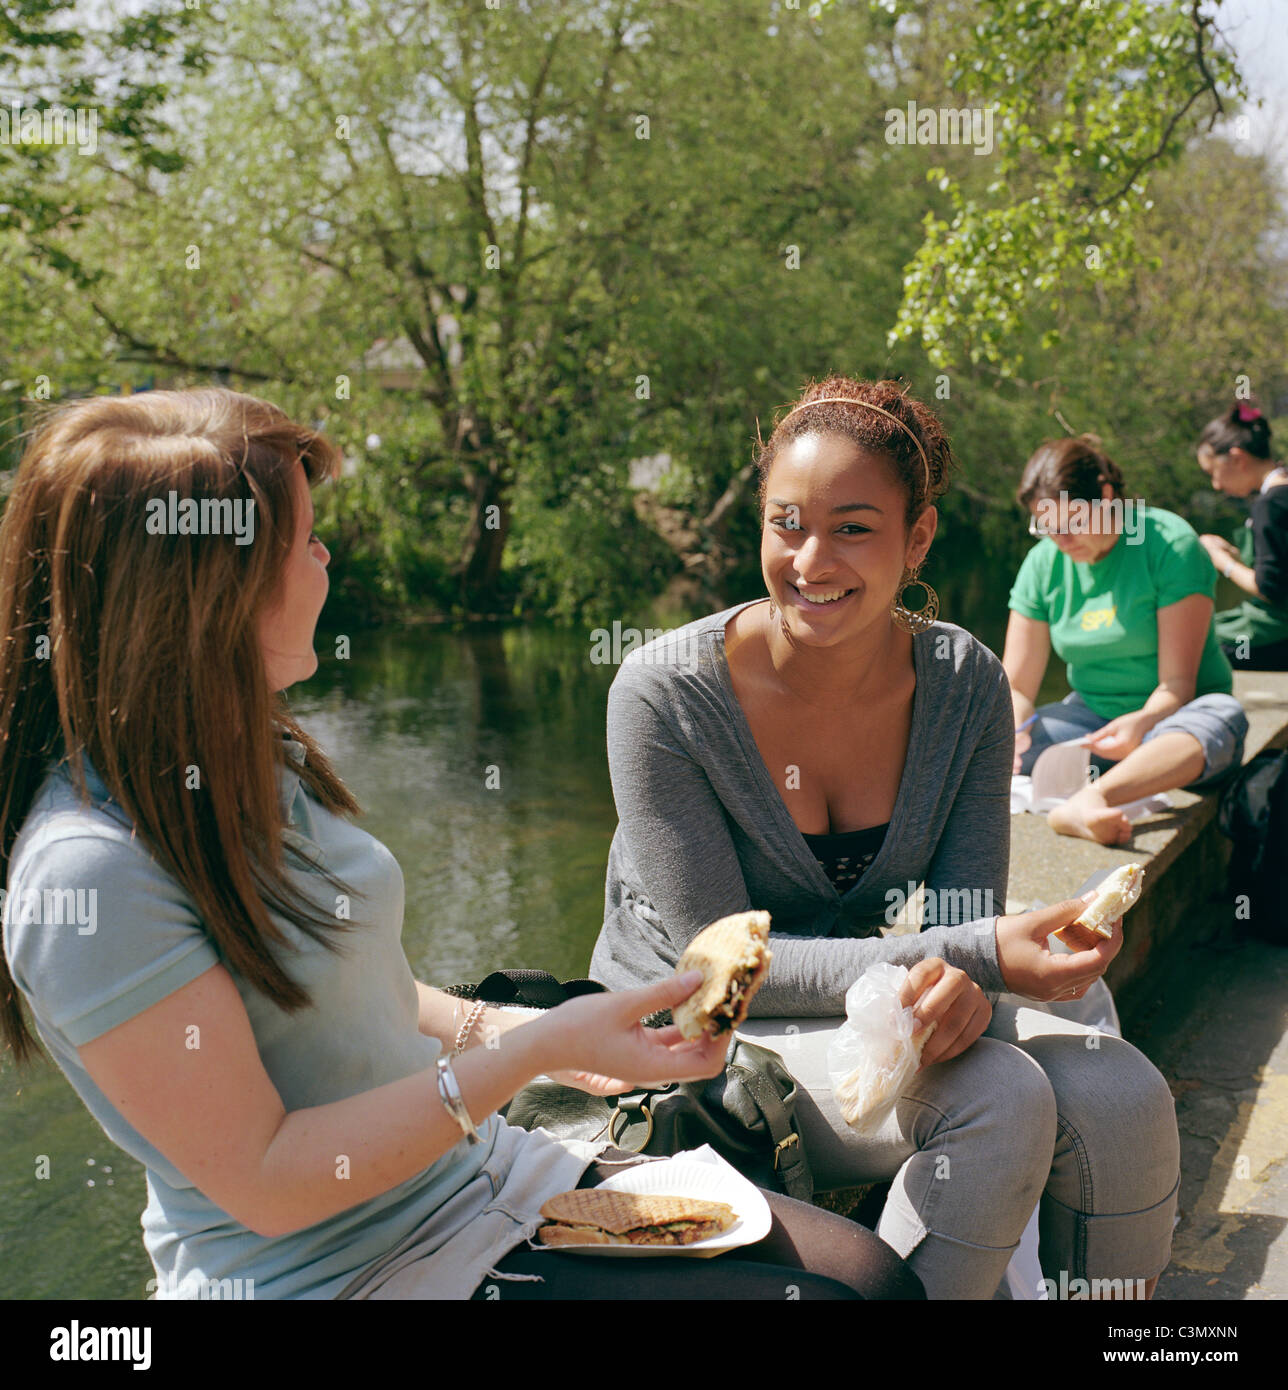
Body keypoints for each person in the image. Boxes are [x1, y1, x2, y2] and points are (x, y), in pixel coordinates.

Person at [0, 387, 923, 1301]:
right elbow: (271, 1182)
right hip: (346, 1270)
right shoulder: (91, 873)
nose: (328, 563)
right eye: (306, 542)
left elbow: (367, 1001)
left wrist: (540, 1036)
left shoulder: (245, 753)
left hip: (481, 1179)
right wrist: (522, 1059)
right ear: (208, 594)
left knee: (870, 1279)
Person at [589, 376, 1181, 1300]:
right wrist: (976, 954)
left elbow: (958, 922)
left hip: (862, 1003)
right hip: (689, 1044)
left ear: (918, 539)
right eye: (786, 523)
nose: (810, 561)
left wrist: (960, 981)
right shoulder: (664, 695)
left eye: (853, 528)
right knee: (999, 1097)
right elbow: (715, 972)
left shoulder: (965, 685)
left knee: (1124, 1095)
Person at [1005, 433, 1248, 845]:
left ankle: (1092, 798)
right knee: (981, 746)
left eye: (1072, 523)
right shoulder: (1042, 564)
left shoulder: (1169, 544)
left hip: (1171, 719)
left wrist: (1143, 722)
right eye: (1046, 528)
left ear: (1105, 494)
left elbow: (1177, 685)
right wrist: (1009, 733)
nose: (1060, 541)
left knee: (1225, 718)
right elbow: (1017, 685)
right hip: (1089, 720)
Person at [1195, 401, 1288, 671]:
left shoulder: (1270, 504)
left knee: (1194, 642)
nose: (1216, 485)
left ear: (1237, 458)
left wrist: (1221, 560)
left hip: (1279, 632)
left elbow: (1271, 588)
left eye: (1213, 472)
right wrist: (1236, 554)